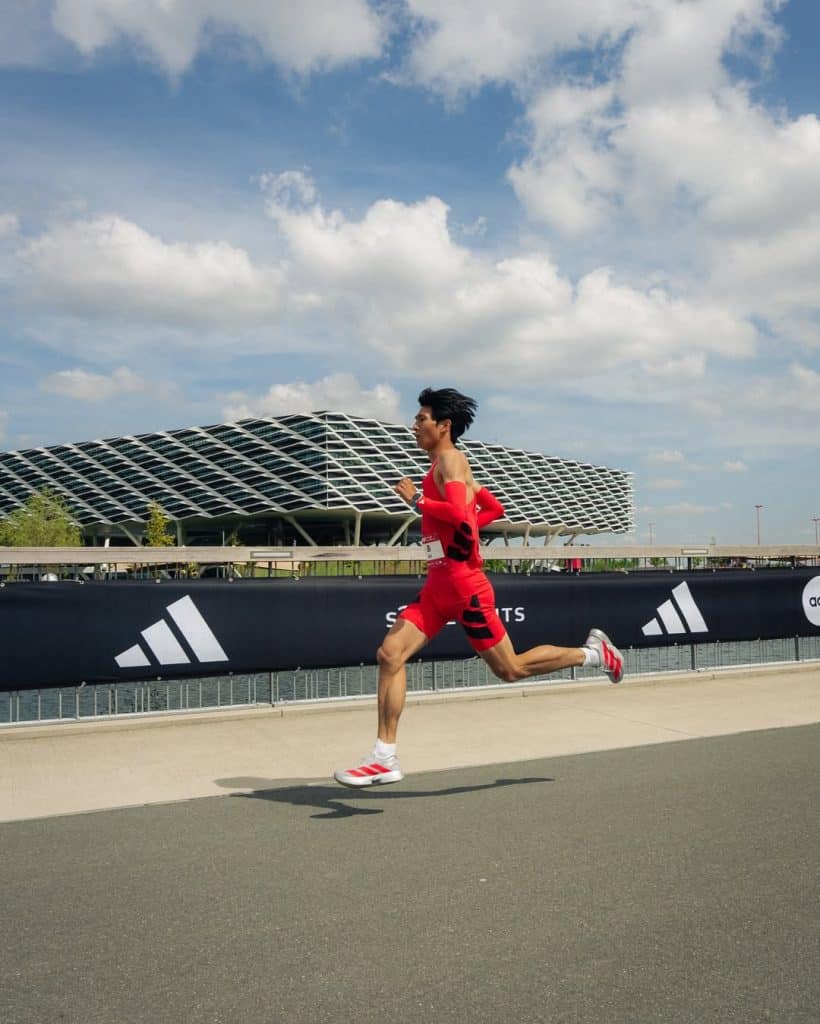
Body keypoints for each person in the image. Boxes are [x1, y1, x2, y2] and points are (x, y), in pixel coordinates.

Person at [334, 387, 624, 788]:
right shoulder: (444, 467)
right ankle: (384, 756)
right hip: (439, 587)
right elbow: (492, 511)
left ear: (444, 425)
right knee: (389, 654)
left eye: (421, 419)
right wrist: (462, 517)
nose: (414, 426)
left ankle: (594, 655)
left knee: (512, 668)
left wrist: (418, 500)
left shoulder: (451, 460)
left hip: (465, 588)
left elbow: (456, 513)